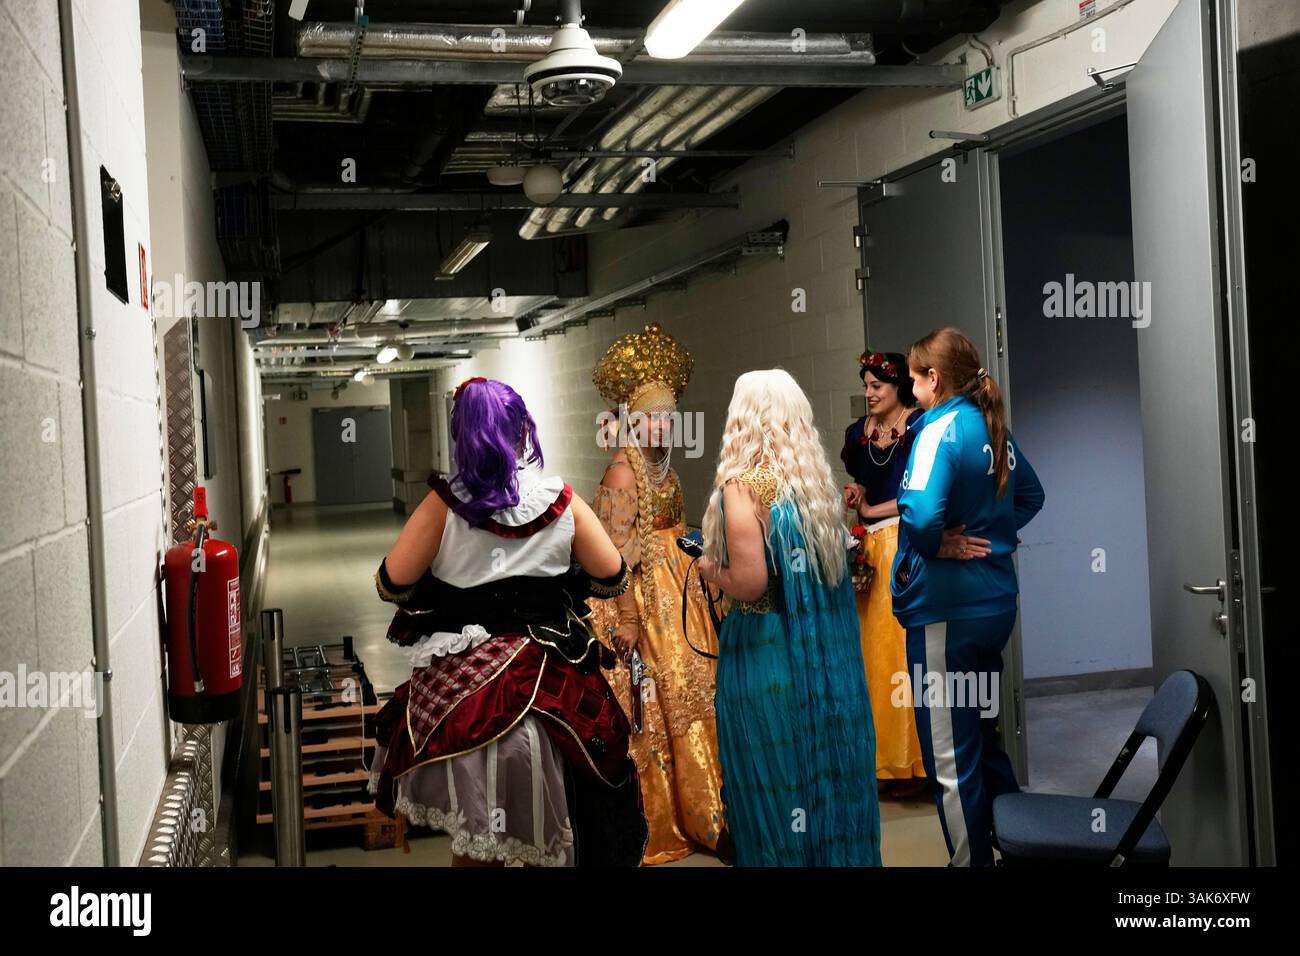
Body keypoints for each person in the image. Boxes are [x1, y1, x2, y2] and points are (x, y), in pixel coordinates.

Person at [368, 377, 647, 867]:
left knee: (475, 851)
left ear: (462, 436)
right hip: (550, 685)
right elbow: (612, 574)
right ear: (522, 431)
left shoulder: (444, 503)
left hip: (467, 695)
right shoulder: (559, 498)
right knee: (558, 839)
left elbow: (393, 581)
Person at [698, 368, 881, 866]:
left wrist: (708, 567)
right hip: (816, 658)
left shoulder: (743, 487)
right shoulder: (814, 486)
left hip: (762, 649)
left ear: (742, 419)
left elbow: (751, 582)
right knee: (814, 773)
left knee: (771, 780)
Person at [892, 327, 1045, 867]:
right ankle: (1020, 847)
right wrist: (995, 535)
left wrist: (942, 545)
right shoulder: (991, 424)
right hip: (994, 608)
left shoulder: (937, 430)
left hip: (947, 617)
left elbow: (920, 516)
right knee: (982, 732)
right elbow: (1031, 495)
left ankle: (972, 863)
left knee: (950, 755)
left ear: (934, 379)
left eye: (912, 378)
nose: (909, 389)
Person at [588, 323, 727, 864]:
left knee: (696, 695)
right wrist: (634, 611)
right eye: (652, 417)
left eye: (669, 417)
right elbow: (611, 559)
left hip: (681, 599)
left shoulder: (662, 470)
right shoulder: (622, 474)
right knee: (658, 704)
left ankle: (710, 809)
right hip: (643, 605)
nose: (662, 426)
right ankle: (662, 820)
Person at [842, 351, 928, 796]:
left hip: (905, 542)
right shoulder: (859, 434)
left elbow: (921, 491)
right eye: (867, 385)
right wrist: (858, 493)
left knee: (901, 650)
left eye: (878, 386)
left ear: (900, 388)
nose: (869, 393)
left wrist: (874, 507)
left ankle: (915, 761)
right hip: (871, 546)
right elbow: (864, 482)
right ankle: (881, 761)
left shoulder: (918, 427)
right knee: (873, 653)